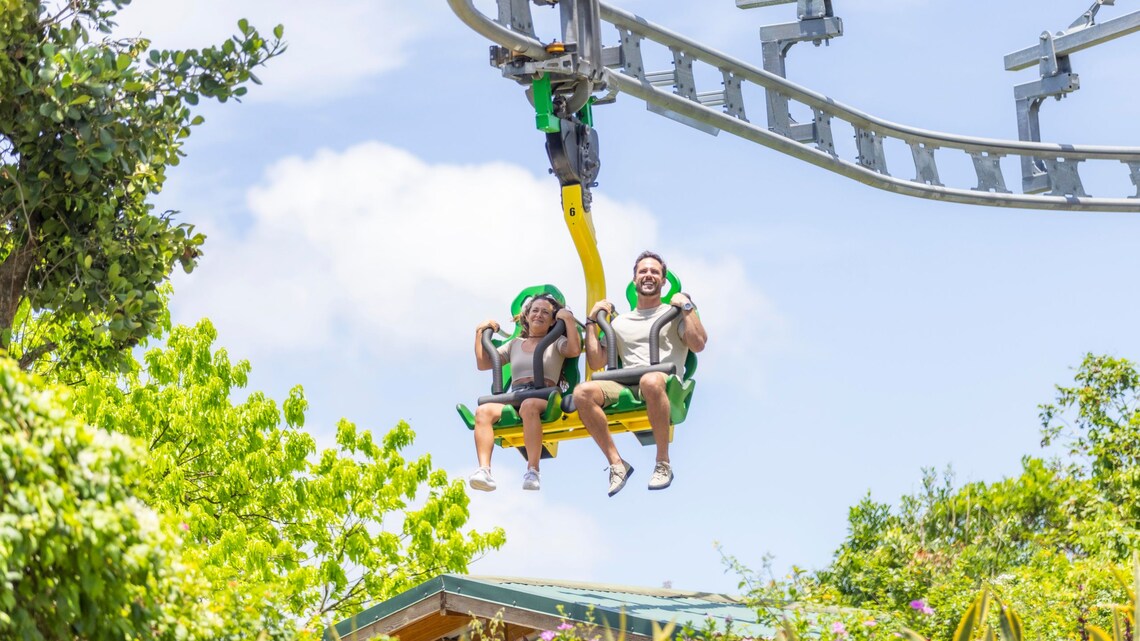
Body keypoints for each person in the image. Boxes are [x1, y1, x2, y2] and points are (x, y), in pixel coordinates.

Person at [573, 251, 708, 496]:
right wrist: (592, 322)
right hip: (628, 384)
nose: (648, 275)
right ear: (634, 280)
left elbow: (698, 344)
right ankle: (616, 464)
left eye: (654, 272)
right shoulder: (621, 322)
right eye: (643, 271)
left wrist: (687, 306)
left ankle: (662, 462)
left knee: (650, 380)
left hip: (664, 382)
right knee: (582, 392)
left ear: (664, 281)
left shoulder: (674, 314)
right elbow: (596, 360)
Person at [469, 294, 581, 492]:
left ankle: (533, 470)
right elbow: (484, 363)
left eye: (545, 312)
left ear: (553, 320)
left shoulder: (556, 342)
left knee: (529, 406)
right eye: (535, 311)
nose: (539, 315)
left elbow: (573, 350)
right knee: (483, 411)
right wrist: (480, 333)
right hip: (517, 395)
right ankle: (484, 470)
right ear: (527, 317)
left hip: (544, 396)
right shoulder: (515, 344)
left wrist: (569, 320)